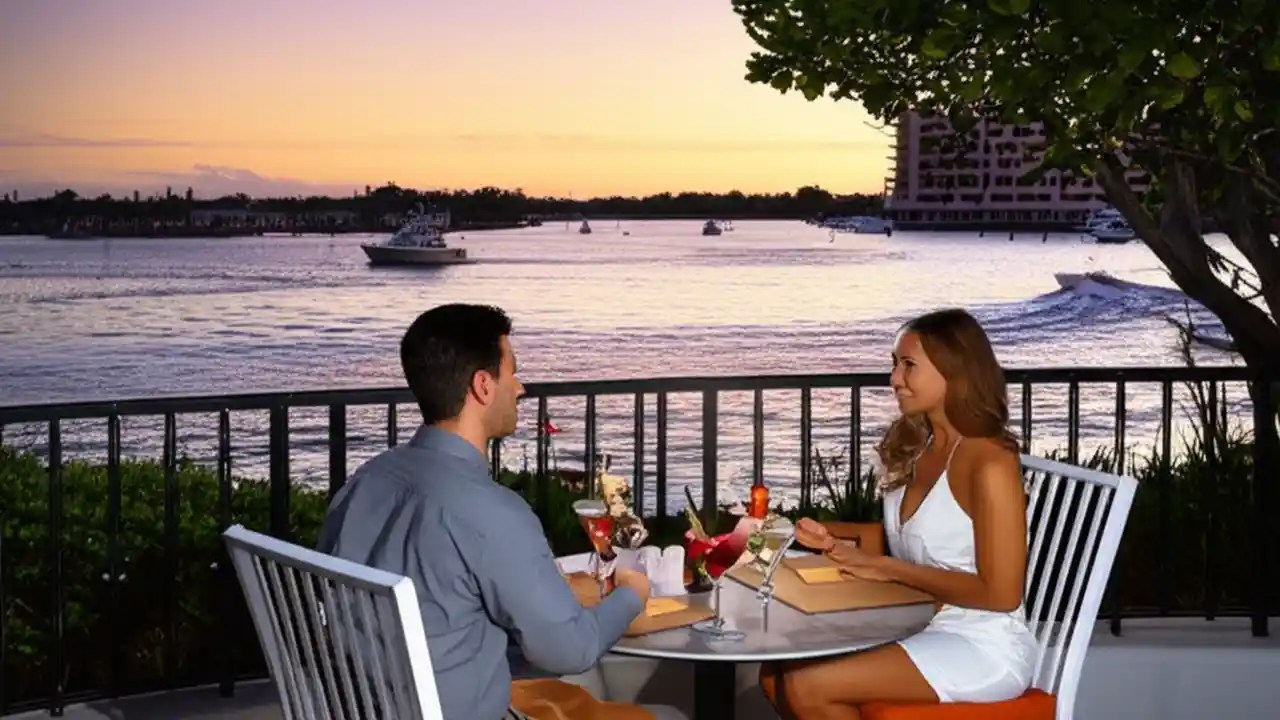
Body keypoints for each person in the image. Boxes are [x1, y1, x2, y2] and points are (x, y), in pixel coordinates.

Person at [317, 303, 655, 720]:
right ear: (483, 385)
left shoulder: (364, 483)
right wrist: (633, 593)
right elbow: (572, 649)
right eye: (512, 371)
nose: (521, 387)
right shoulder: (491, 513)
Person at [761, 308, 1037, 719]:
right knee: (774, 673)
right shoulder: (922, 444)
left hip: (981, 643)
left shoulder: (989, 461)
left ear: (954, 371)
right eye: (894, 364)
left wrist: (884, 568)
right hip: (919, 623)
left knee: (807, 683)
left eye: (908, 365)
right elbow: (906, 540)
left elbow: (1001, 594)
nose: (894, 379)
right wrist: (828, 536)